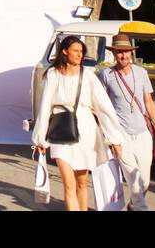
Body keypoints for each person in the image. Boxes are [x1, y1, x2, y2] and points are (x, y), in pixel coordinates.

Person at [32, 34, 124, 211]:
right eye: (76, 51)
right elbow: (45, 107)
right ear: (65, 52)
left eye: (81, 51)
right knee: (69, 183)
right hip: (60, 129)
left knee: (82, 182)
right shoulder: (52, 74)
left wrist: (114, 139)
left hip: (85, 129)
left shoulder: (88, 75)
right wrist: (40, 139)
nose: (79, 54)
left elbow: (104, 108)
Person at [96, 36, 155, 210]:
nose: (123, 55)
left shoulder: (141, 72)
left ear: (131, 52)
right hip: (121, 135)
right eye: (119, 52)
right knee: (134, 181)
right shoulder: (106, 75)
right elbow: (101, 107)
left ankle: (133, 205)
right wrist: (109, 137)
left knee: (144, 181)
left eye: (126, 51)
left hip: (143, 133)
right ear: (113, 53)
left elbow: (149, 102)